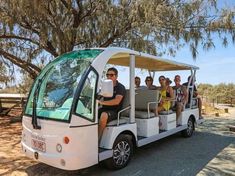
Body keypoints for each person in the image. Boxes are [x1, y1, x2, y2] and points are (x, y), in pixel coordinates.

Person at [98, 67, 126, 141]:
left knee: (104, 115)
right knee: (88, 114)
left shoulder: (120, 87)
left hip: (115, 112)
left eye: (111, 75)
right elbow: (98, 96)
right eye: (107, 75)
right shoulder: (105, 86)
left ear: (116, 76)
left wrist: (101, 102)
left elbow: (117, 101)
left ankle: (98, 140)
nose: (109, 77)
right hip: (104, 109)